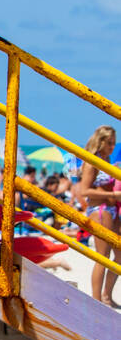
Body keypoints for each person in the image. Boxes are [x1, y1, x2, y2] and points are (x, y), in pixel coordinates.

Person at [72, 126, 119, 307]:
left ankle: (106, 296)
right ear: (100, 142)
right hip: (100, 210)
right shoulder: (92, 161)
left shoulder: (106, 160)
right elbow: (84, 190)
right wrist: (114, 196)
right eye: (109, 143)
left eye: (114, 143)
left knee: (119, 256)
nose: (112, 147)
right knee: (103, 256)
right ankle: (96, 300)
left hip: (111, 209)